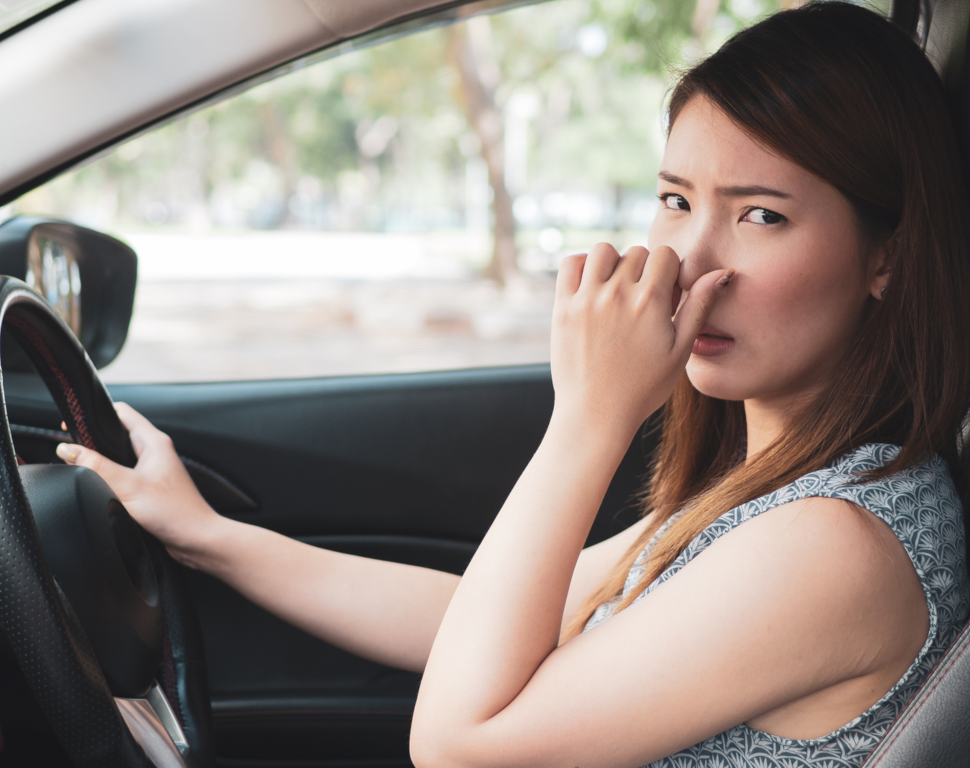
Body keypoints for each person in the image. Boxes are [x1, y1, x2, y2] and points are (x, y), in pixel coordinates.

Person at [59, 3, 970, 766]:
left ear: (885, 257)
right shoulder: (774, 487)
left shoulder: (835, 540)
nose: (691, 261)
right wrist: (212, 539)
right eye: (678, 200)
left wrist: (590, 416)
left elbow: (459, 744)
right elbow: (484, 628)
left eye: (761, 215)